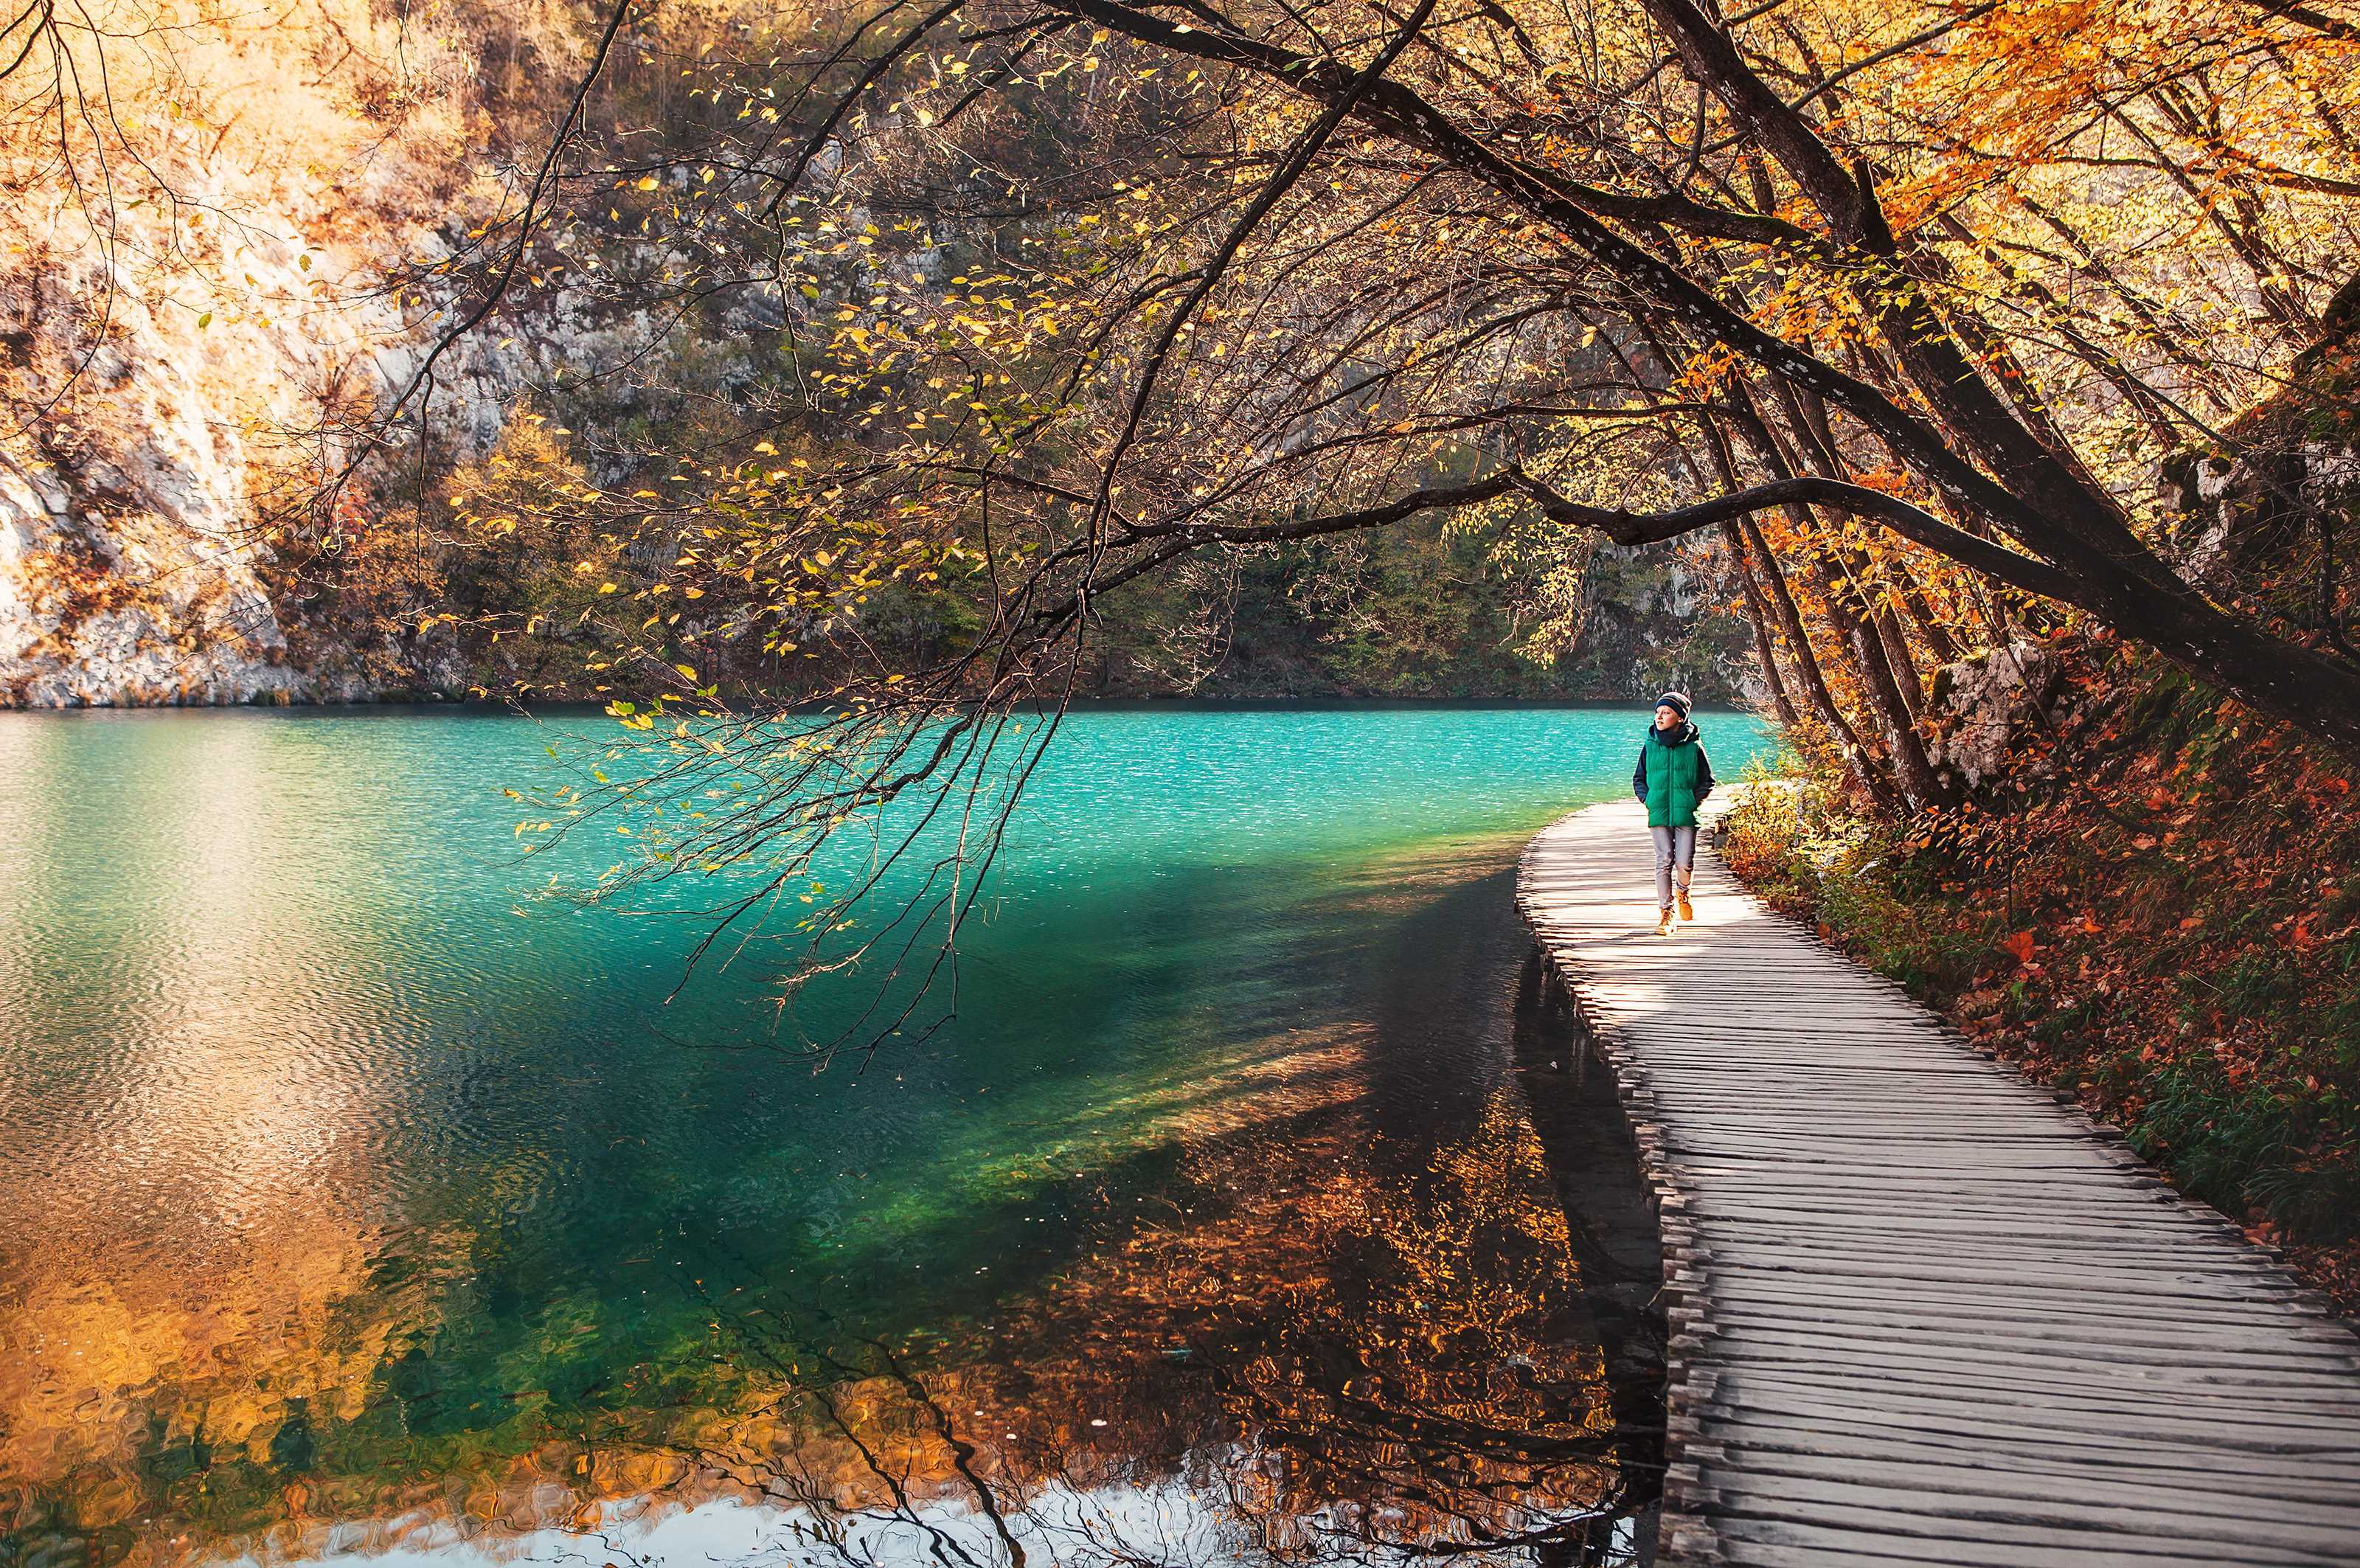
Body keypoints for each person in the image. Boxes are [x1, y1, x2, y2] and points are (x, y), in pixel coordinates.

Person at [1631, 690, 1715, 937]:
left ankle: (1683, 890)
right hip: (1658, 813)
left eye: (1666, 712)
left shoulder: (1694, 747)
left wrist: (1692, 801)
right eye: (1658, 712)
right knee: (1663, 860)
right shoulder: (1650, 745)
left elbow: (1707, 781)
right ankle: (1667, 913)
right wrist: (1648, 799)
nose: (1659, 717)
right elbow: (1639, 778)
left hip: (1685, 814)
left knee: (1684, 863)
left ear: (1680, 718)